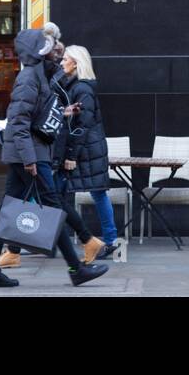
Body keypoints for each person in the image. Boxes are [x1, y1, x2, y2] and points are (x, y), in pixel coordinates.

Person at [0, 27, 108, 289]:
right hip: (30, 156)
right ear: (38, 53)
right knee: (54, 208)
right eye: (48, 47)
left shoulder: (39, 75)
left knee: (10, 212)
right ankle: (76, 269)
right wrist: (30, 161)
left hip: (29, 154)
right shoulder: (29, 78)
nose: (54, 50)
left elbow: (37, 113)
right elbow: (18, 123)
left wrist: (63, 112)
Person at [61, 44, 117, 259]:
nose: (62, 62)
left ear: (75, 62)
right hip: (89, 148)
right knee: (97, 193)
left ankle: (109, 241)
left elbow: (81, 125)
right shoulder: (78, 87)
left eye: (65, 58)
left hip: (86, 151)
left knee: (92, 193)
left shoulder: (82, 89)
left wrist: (71, 155)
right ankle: (108, 240)